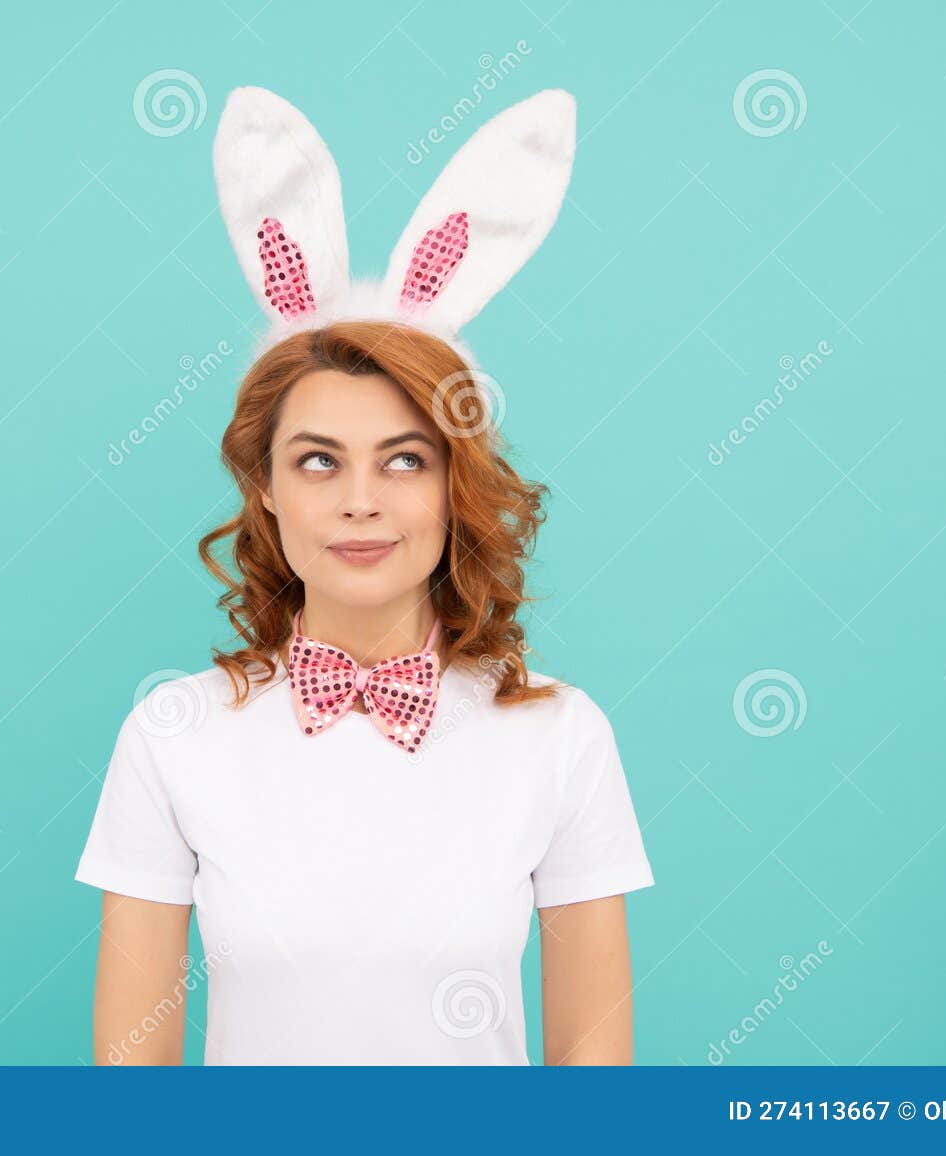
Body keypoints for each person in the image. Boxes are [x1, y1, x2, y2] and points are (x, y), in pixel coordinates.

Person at [74, 85, 654, 1065]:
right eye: (316, 459)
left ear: (453, 484)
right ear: (264, 489)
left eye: (404, 458)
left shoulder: (561, 735)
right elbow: (133, 1087)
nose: (359, 500)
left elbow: (592, 1087)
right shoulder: (172, 734)